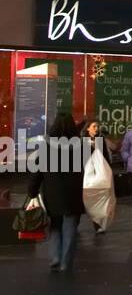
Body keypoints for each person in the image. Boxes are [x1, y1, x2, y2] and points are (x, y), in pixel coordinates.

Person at [26, 112, 85, 273]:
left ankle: (55, 258)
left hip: (53, 192)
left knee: (55, 226)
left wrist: (32, 190)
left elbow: (37, 171)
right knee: (70, 225)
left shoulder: (47, 145)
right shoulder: (80, 145)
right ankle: (66, 262)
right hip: (73, 192)